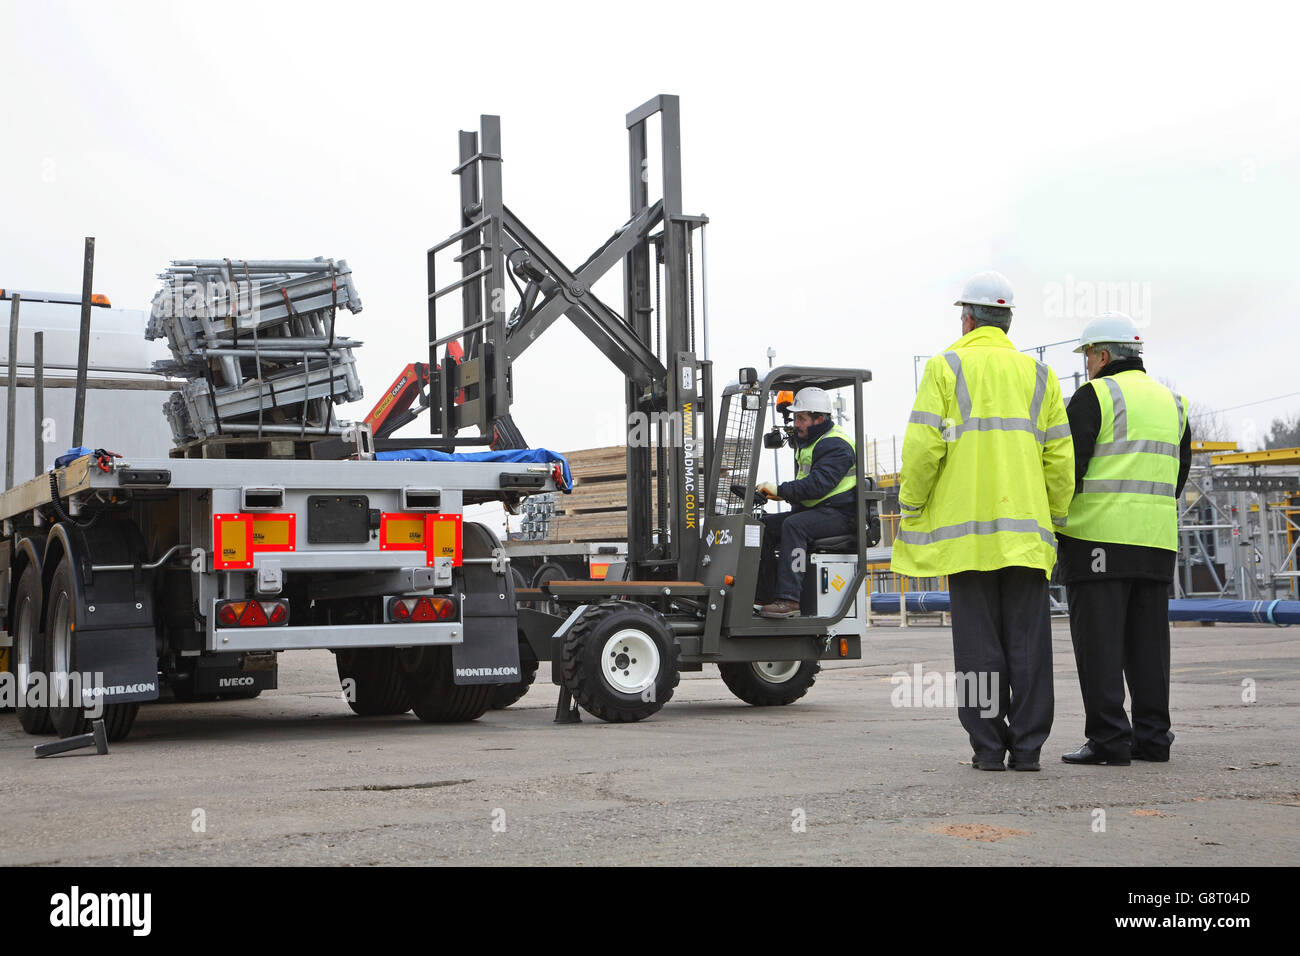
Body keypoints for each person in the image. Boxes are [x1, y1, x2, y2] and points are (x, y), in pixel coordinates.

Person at [891, 271, 1074, 771]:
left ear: (967, 318)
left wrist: (911, 504)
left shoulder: (945, 367)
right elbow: (1060, 458)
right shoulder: (1041, 375)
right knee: (1030, 647)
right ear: (1008, 321)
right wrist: (1054, 517)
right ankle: (1030, 749)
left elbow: (924, 448)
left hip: (968, 541)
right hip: (1026, 539)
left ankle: (990, 750)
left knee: (978, 650)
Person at [1057, 312, 1191, 766]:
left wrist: (1055, 523)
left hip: (1097, 541)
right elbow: (1178, 474)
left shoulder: (1094, 396)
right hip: (1154, 542)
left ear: (1102, 355)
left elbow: (1066, 470)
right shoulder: (1173, 403)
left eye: (1088, 356)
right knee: (1148, 644)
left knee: (1100, 645)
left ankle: (1110, 741)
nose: (1087, 365)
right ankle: (1154, 738)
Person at [754, 387, 858, 619]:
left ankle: (789, 600)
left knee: (795, 525)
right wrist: (778, 493)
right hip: (820, 510)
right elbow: (808, 484)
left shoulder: (836, 445)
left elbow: (817, 485)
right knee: (761, 526)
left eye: (801, 418)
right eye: (795, 418)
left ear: (819, 419)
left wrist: (781, 490)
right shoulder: (811, 441)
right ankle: (762, 596)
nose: (796, 424)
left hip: (841, 514)